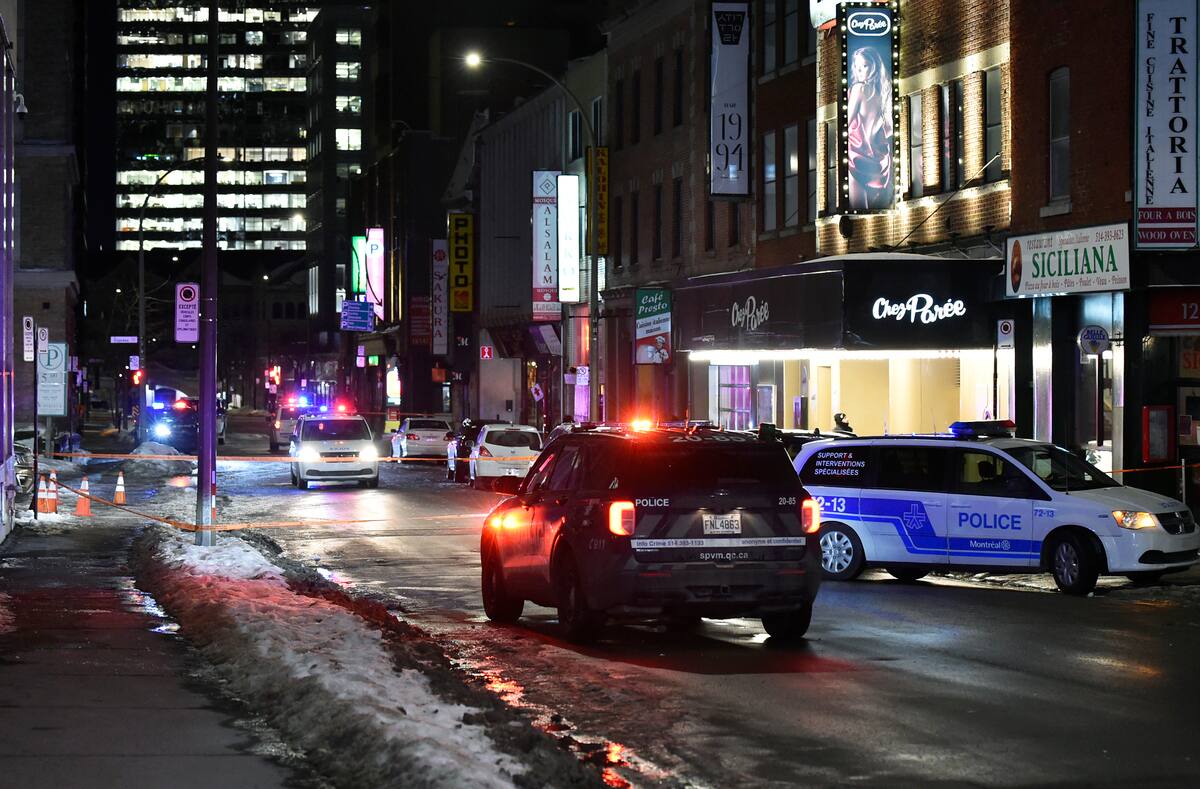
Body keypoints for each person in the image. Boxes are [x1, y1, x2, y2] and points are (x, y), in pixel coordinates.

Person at [846, 46, 893, 210]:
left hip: (857, 155)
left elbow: (847, 120)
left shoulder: (858, 89)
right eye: (857, 67)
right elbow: (889, 129)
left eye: (864, 65)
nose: (860, 71)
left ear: (874, 65)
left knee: (858, 215)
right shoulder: (884, 93)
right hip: (880, 158)